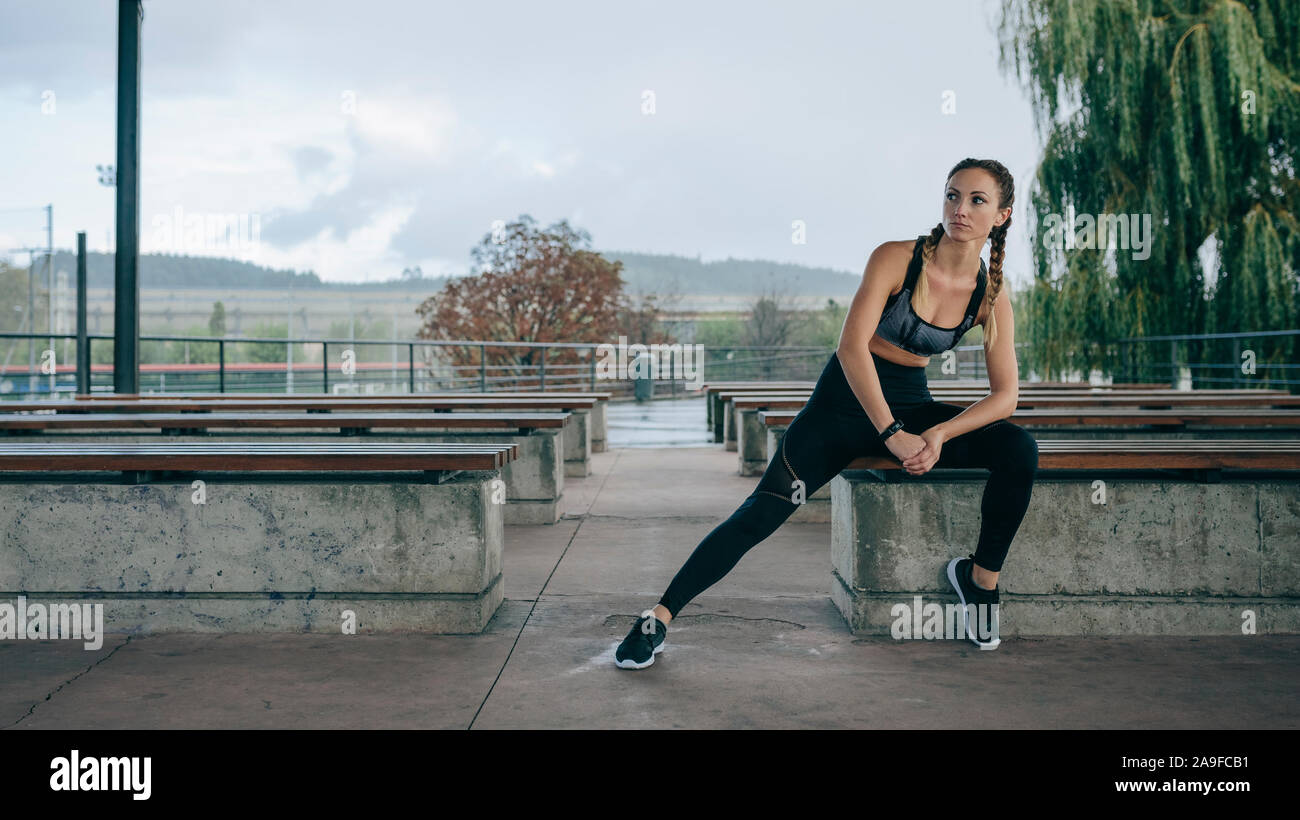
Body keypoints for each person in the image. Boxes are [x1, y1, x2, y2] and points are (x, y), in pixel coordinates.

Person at [615, 158, 1038, 668]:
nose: (960, 209)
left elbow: (1005, 397)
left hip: (910, 400)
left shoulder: (990, 296)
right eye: (952, 195)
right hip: (841, 405)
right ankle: (659, 616)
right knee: (760, 514)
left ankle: (980, 580)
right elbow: (851, 348)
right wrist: (894, 433)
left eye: (977, 200)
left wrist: (939, 433)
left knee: (1018, 447)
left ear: (1002, 215)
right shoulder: (896, 258)